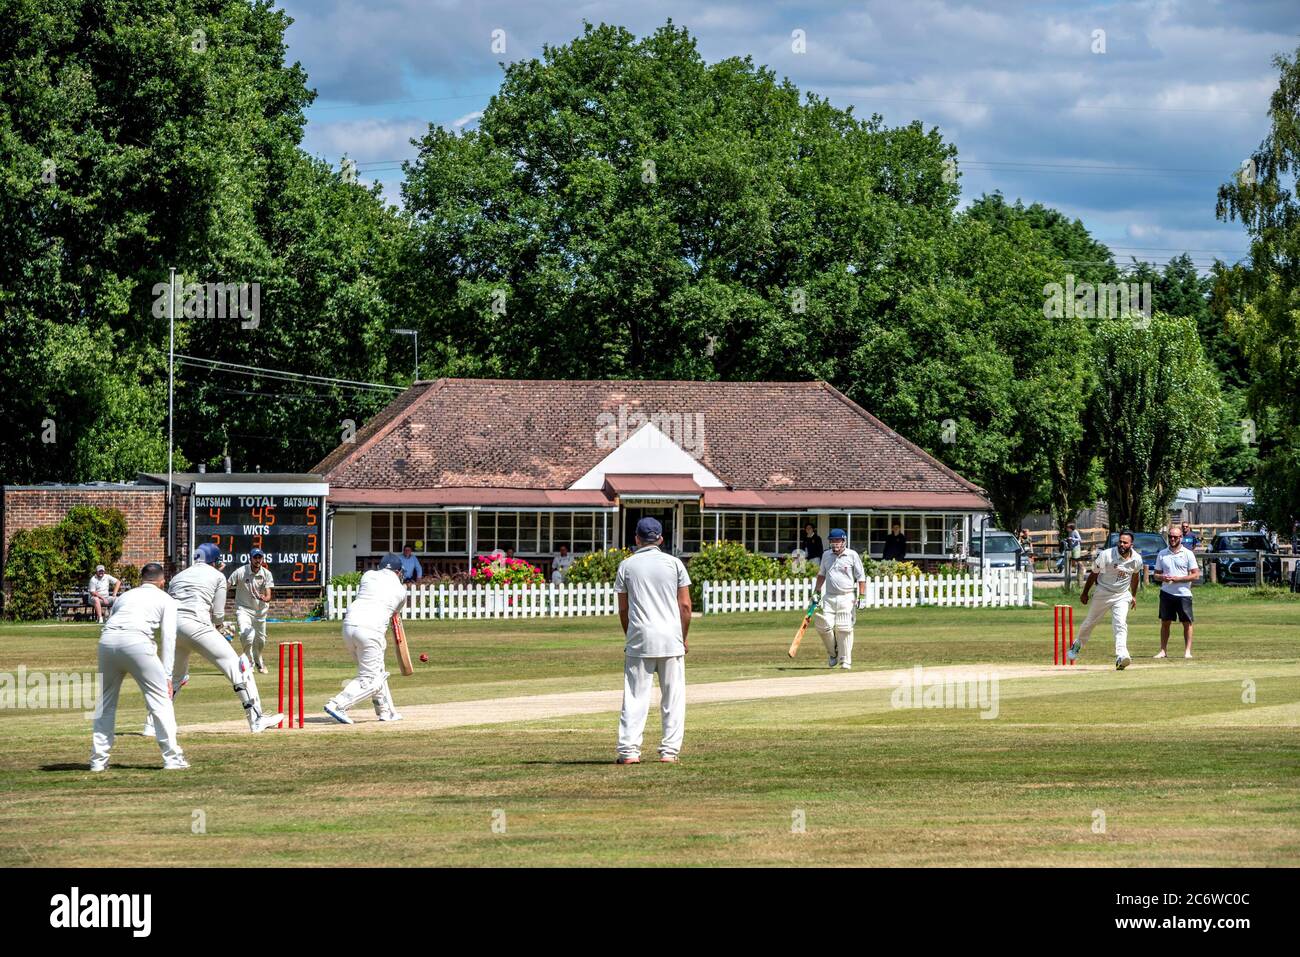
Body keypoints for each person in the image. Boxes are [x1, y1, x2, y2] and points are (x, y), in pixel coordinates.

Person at [163, 543, 282, 733]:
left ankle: (153, 723)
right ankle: (257, 719)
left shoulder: (177, 576)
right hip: (197, 626)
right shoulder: (218, 576)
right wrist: (219, 626)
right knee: (239, 668)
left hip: (171, 629)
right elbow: (218, 614)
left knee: (176, 677)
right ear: (216, 560)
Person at [90, 563, 187, 771]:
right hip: (137, 642)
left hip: (107, 641)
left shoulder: (125, 596)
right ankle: (173, 758)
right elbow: (169, 637)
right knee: (160, 700)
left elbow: (112, 620)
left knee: (105, 703)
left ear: (142, 579)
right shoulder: (166, 599)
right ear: (162, 582)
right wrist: (168, 676)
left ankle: (98, 761)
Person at [613, 517, 691, 765]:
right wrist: (684, 638)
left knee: (635, 696)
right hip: (671, 637)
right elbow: (686, 606)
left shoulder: (626, 565)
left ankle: (629, 751)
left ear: (636, 539)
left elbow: (623, 610)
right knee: (673, 697)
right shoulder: (674, 563)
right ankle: (669, 752)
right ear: (660, 539)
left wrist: (631, 635)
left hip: (640, 637)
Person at [325, 553, 407, 724]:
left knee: (377, 671)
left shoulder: (368, 575)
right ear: (398, 572)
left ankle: (386, 711)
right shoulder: (401, 590)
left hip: (348, 627)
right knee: (371, 679)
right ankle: (338, 704)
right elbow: (395, 614)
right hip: (371, 630)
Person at [1068, 529, 1143, 670]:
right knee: (1090, 622)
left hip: (1121, 595)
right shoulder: (1106, 555)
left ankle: (1122, 655)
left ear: (1131, 544)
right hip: (1103, 592)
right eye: (1120, 541)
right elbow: (1093, 574)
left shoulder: (1136, 559)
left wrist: (1133, 595)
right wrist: (1085, 593)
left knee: (1120, 624)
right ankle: (1077, 645)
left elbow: (1135, 577)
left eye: (1125, 542)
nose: (1121, 544)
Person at [814, 528, 867, 669]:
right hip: (829, 597)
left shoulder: (852, 555)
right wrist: (816, 592)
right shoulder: (826, 555)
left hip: (846, 597)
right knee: (824, 627)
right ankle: (833, 654)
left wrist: (862, 596)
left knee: (844, 628)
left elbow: (861, 577)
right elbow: (821, 575)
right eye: (832, 541)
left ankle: (845, 660)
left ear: (844, 541)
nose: (834, 543)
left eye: (837, 540)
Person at [1154, 525, 1200, 659]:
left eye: (1175, 537)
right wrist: (1162, 577)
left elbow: (1196, 575)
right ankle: (1163, 650)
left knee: (1187, 623)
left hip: (1184, 594)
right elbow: (1156, 574)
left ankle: (1187, 651)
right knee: (1165, 622)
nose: (1172, 539)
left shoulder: (1188, 553)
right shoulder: (1162, 553)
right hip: (1166, 593)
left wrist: (1179, 579)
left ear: (1181, 538)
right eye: (1170, 537)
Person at [229, 548, 274, 673]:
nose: (258, 560)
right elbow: (227, 585)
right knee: (246, 634)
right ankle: (248, 660)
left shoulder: (266, 574)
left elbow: (269, 596)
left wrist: (263, 597)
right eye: (255, 557)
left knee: (261, 641)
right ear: (250, 559)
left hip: (260, 612)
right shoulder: (240, 572)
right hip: (243, 609)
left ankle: (258, 658)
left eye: (260, 557)